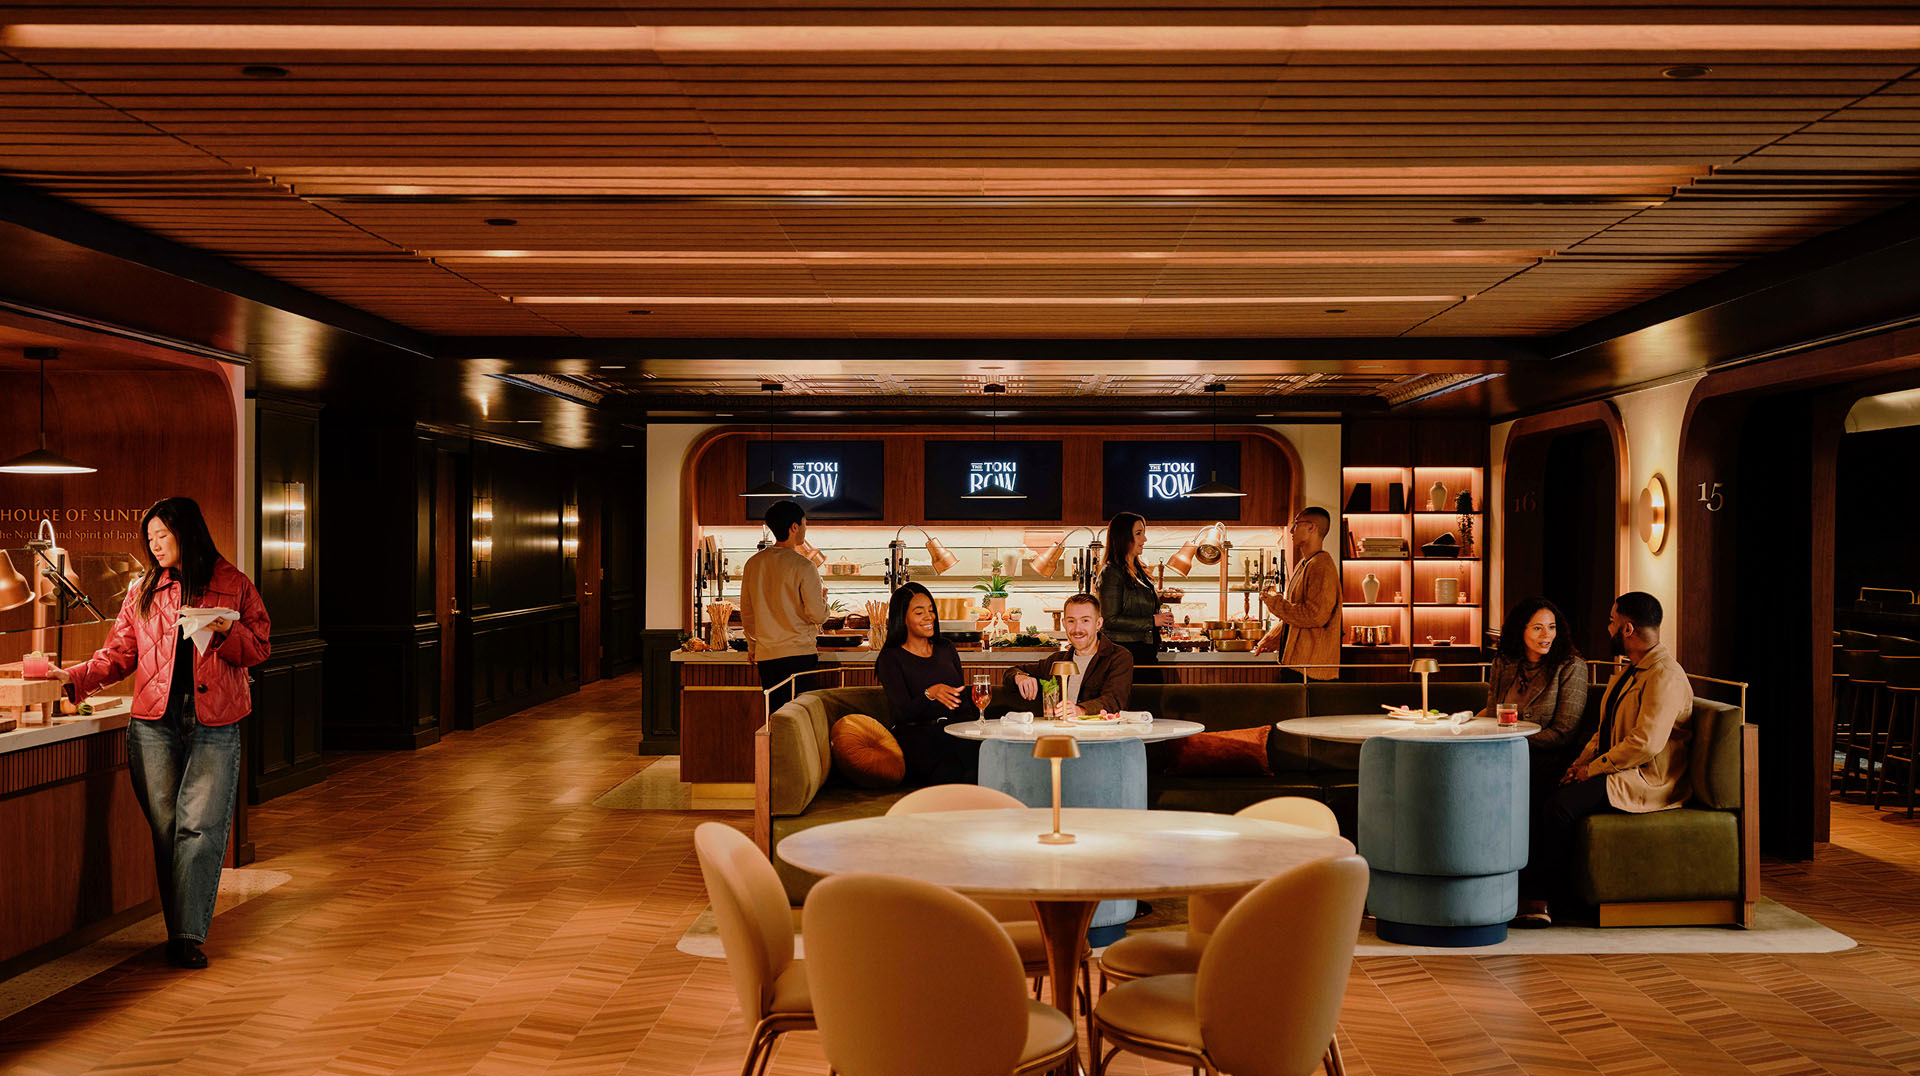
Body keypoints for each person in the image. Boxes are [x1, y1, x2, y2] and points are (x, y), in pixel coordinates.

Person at [51, 497, 270, 969]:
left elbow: (260, 647)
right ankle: (181, 930)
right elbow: (118, 655)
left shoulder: (234, 584)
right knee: (168, 828)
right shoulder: (143, 589)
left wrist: (223, 632)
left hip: (215, 720)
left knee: (200, 827)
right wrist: (73, 677)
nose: (154, 546)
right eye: (149, 538)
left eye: (162, 536)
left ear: (186, 532)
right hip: (153, 724)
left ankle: (186, 938)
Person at [1518, 591, 1693, 927]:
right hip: (1616, 769)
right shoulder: (1632, 670)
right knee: (1541, 785)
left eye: (1612, 622)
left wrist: (1592, 770)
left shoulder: (1665, 676)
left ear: (1627, 629)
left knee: (1559, 808)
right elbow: (1605, 730)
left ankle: (1547, 900)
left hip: (1646, 779)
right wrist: (1579, 765)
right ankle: (1524, 889)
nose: (1608, 627)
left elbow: (1645, 744)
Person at [1485, 597, 1591, 926]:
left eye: (1552, 627)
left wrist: (1512, 740)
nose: (1547, 635)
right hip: (1503, 754)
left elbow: (1564, 732)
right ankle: (1484, 888)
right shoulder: (1505, 662)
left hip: (1549, 758)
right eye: (1538, 628)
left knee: (1528, 797)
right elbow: (1491, 713)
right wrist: (1459, 725)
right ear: (1521, 630)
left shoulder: (1571, 666)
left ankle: (1535, 897)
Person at [874, 583, 979, 785]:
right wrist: (929, 694)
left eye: (931, 610)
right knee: (957, 765)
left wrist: (974, 724)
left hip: (952, 732)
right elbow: (901, 714)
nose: (929, 617)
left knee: (986, 748)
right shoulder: (891, 658)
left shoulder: (945, 648)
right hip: (917, 739)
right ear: (903, 618)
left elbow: (962, 701)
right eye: (919, 612)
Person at [739, 500, 828, 713]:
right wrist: (824, 601)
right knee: (800, 718)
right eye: (805, 524)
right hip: (799, 655)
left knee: (776, 717)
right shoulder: (804, 566)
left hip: (767, 657)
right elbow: (817, 615)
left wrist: (753, 647)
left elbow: (747, 613)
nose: (805, 529)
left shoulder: (753, 563)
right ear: (794, 527)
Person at [1007, 593, 1133, 716]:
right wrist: (1020, 677)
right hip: (1057, 729)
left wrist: (1081, 710)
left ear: (1098, 624)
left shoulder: (1118, 657)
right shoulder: (1056, 660)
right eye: (1071, 621)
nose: (1077, 629)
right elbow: (1012, 671)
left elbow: (1115, 700)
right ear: (1064, 623)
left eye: (1085, 620)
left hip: (1101, 730)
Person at [1253, 507, 1340, 680]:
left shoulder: (1321, 565)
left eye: (1296, 524)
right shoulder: (1305, 563)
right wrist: (1273, 638)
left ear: (1311, 527)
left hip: (1311, 669)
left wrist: (1275, 603)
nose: (1292, 530)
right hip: (1297, 663)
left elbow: (1315, 615)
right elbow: (1297, 614)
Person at [1097, 511, 1172, 672]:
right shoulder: (1111, 572)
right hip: (1125, 653)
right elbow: (1109, 620)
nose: (1144, 539)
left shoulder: (1138, 570)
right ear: (1123, 537)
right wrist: (1152, 621)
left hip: (1145, 650)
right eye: (1138, 533)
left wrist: (1159, 620)